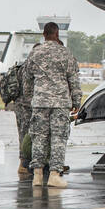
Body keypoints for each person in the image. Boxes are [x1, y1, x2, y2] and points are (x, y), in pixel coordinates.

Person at [23, 22, 81, 188]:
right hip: (60, 103)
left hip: (40, 102)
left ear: (44, 34)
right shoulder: (65, 53)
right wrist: (76, 101)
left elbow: (27, 79)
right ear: (57, 34)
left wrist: (30, 99)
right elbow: (74, 79)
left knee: (38, 137)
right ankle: (54, 175)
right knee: (58, 138)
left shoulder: (35, 53)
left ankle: (38, 175)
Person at [0, 59, 30, 178]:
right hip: (29, 105)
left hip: (20, 105)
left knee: (23, 134)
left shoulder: (19, 68)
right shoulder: (31, 68)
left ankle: (24, 164)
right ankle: (24, 164)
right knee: (29, 135)